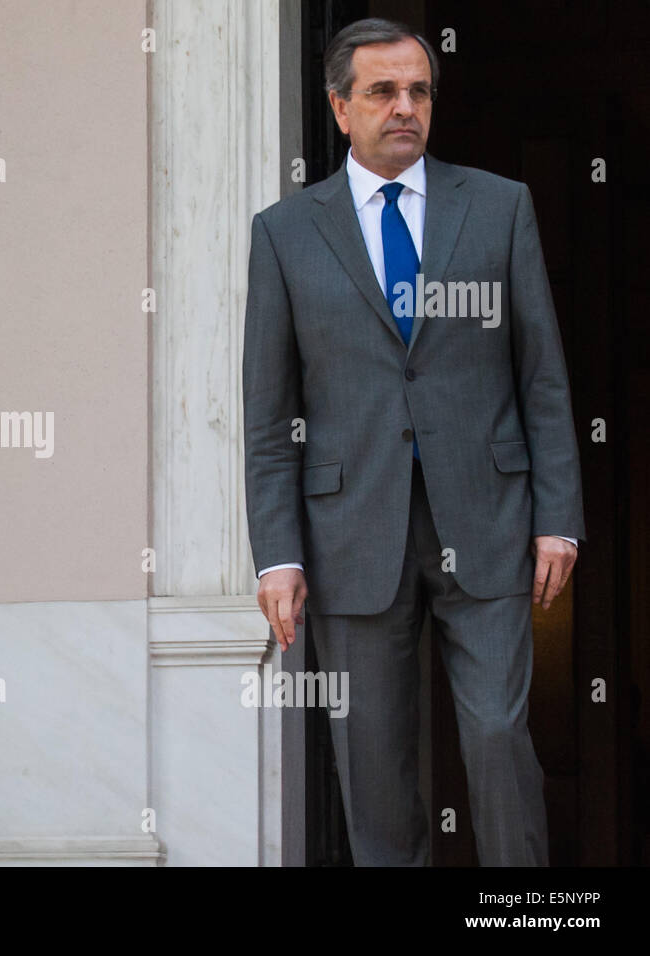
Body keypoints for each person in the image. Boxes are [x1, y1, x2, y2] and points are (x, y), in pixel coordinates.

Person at [242, 17, 584, 865]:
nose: (405, 107)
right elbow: (268, 412)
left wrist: (560, 517)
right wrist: (276, 553)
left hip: (489, 516)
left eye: (419, 91)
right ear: (338, 108)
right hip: (350, 531)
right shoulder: (284, 233)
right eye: (383, 92)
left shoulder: (501, 206)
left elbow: (542, 374)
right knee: (374, 765)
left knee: (500, 740)